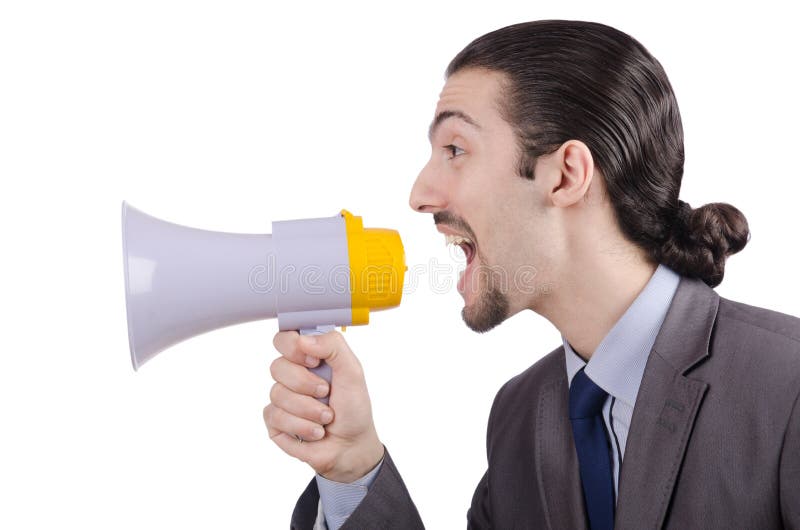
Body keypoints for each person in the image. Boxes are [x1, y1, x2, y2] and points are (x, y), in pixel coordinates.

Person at [263, 20, 800, 529]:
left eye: (455, 149)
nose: (420, 196)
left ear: (566, 175)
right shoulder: (521, 417)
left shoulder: (787, 387)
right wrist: (354, 466)